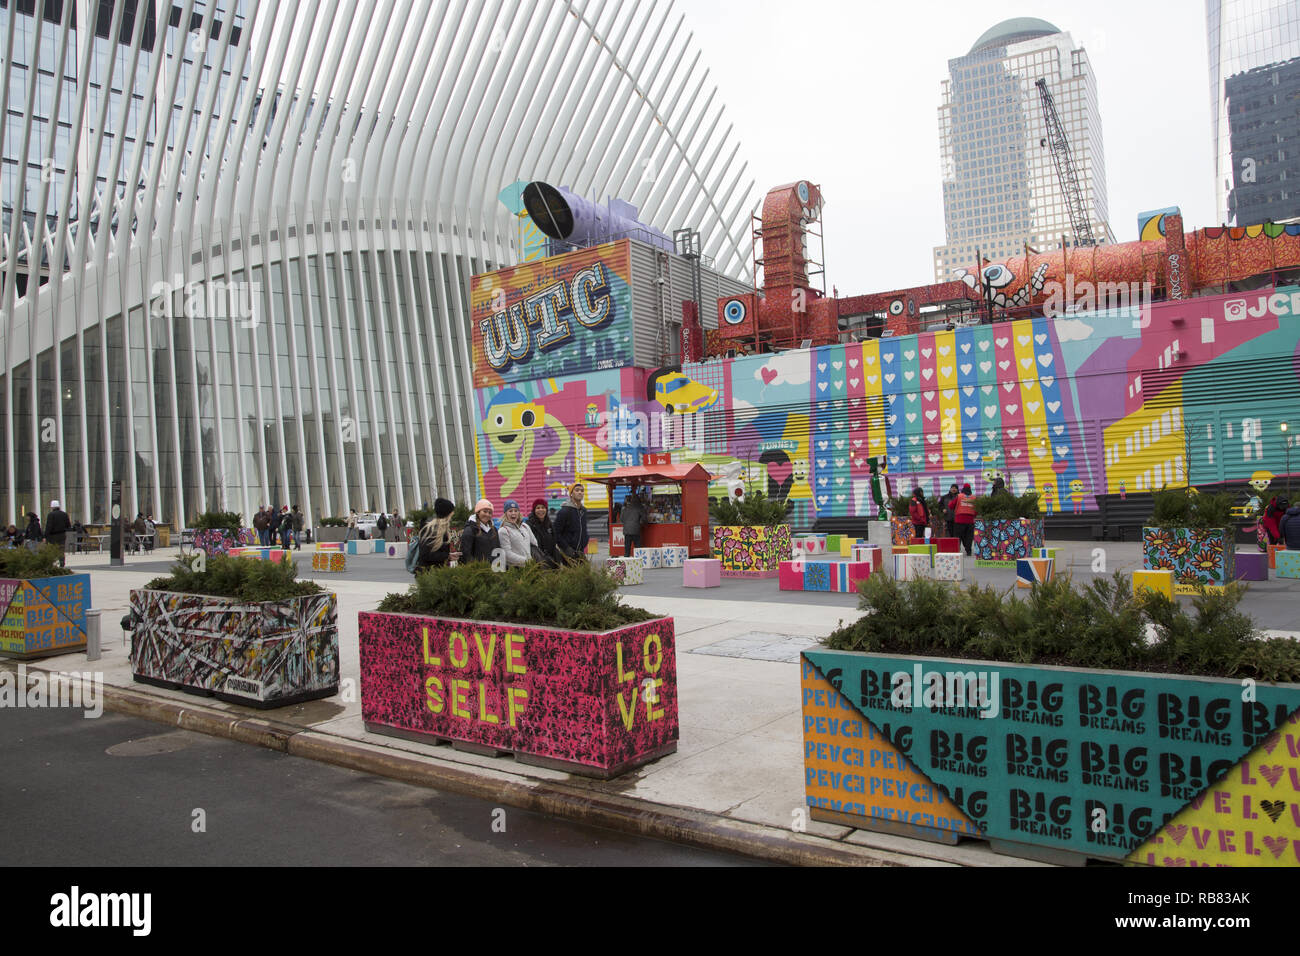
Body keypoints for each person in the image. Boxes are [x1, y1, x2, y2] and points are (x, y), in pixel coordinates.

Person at [416, 498, 457, 572]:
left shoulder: (440, 529)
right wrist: (447, 556)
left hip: (435, 572)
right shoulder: (432, 530)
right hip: (429, 574)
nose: (453, 514)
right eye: (451, 512)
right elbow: (426, 555)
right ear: (447, 513)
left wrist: (448, 556)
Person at [497, 499, 538, 568]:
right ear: (505, 513)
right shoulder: (503, 531)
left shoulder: (525, 526)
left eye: (516, 511)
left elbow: (535, 543)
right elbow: (506, 554)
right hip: (515, 570)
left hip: (530, 567)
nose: (513, 513)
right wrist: (527, 561)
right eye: (510, 511)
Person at [554, 483, 589, 561]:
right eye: (577, 490)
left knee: (585, 571)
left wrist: (586, 540)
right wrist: (566, 548)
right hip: (568, 554)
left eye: (582, 490)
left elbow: (583, 529)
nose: (580, 492)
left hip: (580, 552)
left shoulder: (583, 511)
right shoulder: (564, 511)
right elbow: (556, 533)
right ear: (571, 494)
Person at [459, 499, 501, 564]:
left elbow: (498, 550)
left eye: (490, 513)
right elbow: (466, 554)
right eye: (485, 511)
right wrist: (477, 568)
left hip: (494, 570)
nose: (487, 514)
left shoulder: (493, 530)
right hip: (477, 571)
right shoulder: (470, 529)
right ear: (478, 512)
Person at [526, 498, 560, 567]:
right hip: (538, 563)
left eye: (543, 507)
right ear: (534, 510)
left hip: (551, 561)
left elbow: (554, 543)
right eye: (538, 508)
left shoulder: (549, 524)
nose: (541, 510)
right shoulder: (529, 525)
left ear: (546, 510)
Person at [45, 500, 72, 567]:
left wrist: (46, 535)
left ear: (52, 507)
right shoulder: (64, 514)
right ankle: (62, 563)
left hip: (53, 535)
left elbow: (49, 526)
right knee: (61, 550)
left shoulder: (51, 515)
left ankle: (52, 563)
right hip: (62, 535)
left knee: (52, 549)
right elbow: (68, 525)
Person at [953, 482, 976, 556]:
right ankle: (968, 550)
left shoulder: (959, 496)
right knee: (969, 536)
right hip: (970, 520)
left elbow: (951, 505)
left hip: (959, 520)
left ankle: (957, 550)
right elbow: (976, 509)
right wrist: (973, 515)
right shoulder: (973, 497)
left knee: (958, 536)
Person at [621, 489, 645, 557]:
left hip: (627, 531)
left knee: (627, 548)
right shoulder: (639, 508)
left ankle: (626, 560)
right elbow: (644, 518)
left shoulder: (625, 508)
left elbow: (622, 519)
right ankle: (639, 561)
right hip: (635, 530)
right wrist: (640, 522)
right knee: (637, 548)